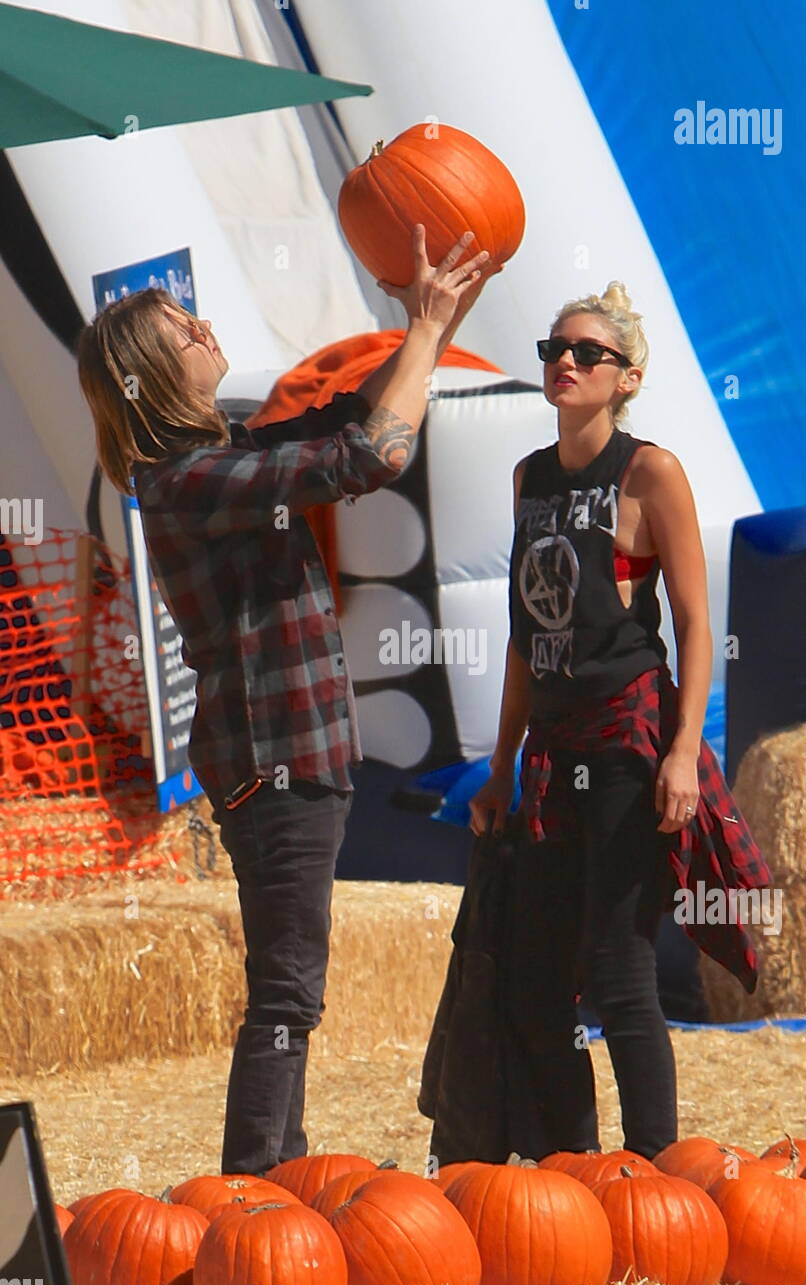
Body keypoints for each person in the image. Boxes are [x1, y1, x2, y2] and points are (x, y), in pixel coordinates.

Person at [77, 225, 493, 1176]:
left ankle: (276, 1176)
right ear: (150, 371)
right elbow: (369, 457)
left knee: (290, 985)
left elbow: (351, 416)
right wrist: (423, 334)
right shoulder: (185, 482)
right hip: (275, 757)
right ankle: (256, 1193)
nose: (205, 325)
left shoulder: (225, 455)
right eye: (184, 328)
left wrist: (425, 322)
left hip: (294, 752)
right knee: (288, 992)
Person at [468, 280, 767, 1161]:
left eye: (586, 353)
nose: (564, 363)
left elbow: (695, 623)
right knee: (538, 982)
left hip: (629, 745)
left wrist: (685, 748)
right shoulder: (528, 478)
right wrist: (498, 766)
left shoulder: (650, 472)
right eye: (554, 350)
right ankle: (573, 1169)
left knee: (620, 970)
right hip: (554, 755)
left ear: (626, 377)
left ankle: (656, 1177)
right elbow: (527, 640)